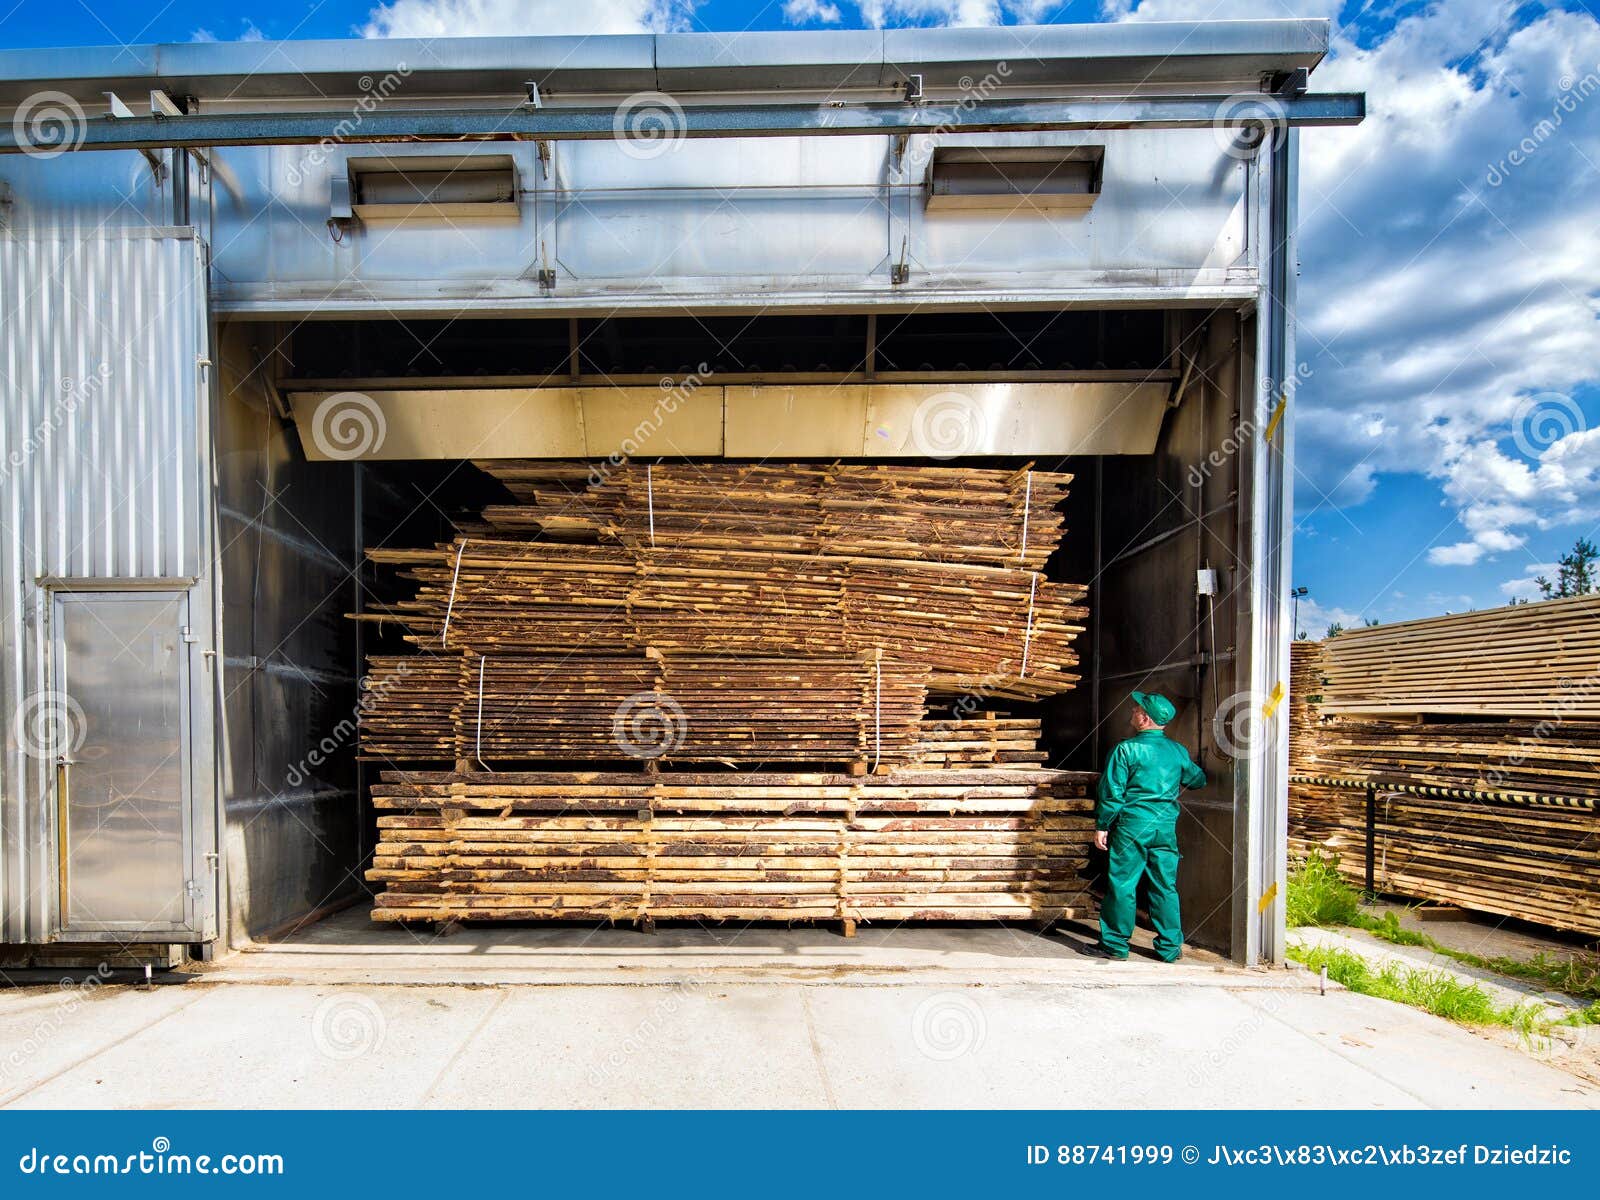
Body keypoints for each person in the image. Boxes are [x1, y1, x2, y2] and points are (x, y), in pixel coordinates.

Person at [1082, 691, 1206, 962]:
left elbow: (1112, 791)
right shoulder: (1177, 751)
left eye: (1136, 710)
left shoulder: (1125, 750)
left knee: (1123, 884)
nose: (1132, 713)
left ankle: (1114, 945)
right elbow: (1197, 779)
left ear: (1145, 718)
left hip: (1133, 826)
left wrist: (1102, 825)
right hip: (1164, 827)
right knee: (1164, 886)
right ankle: (1170, 949)